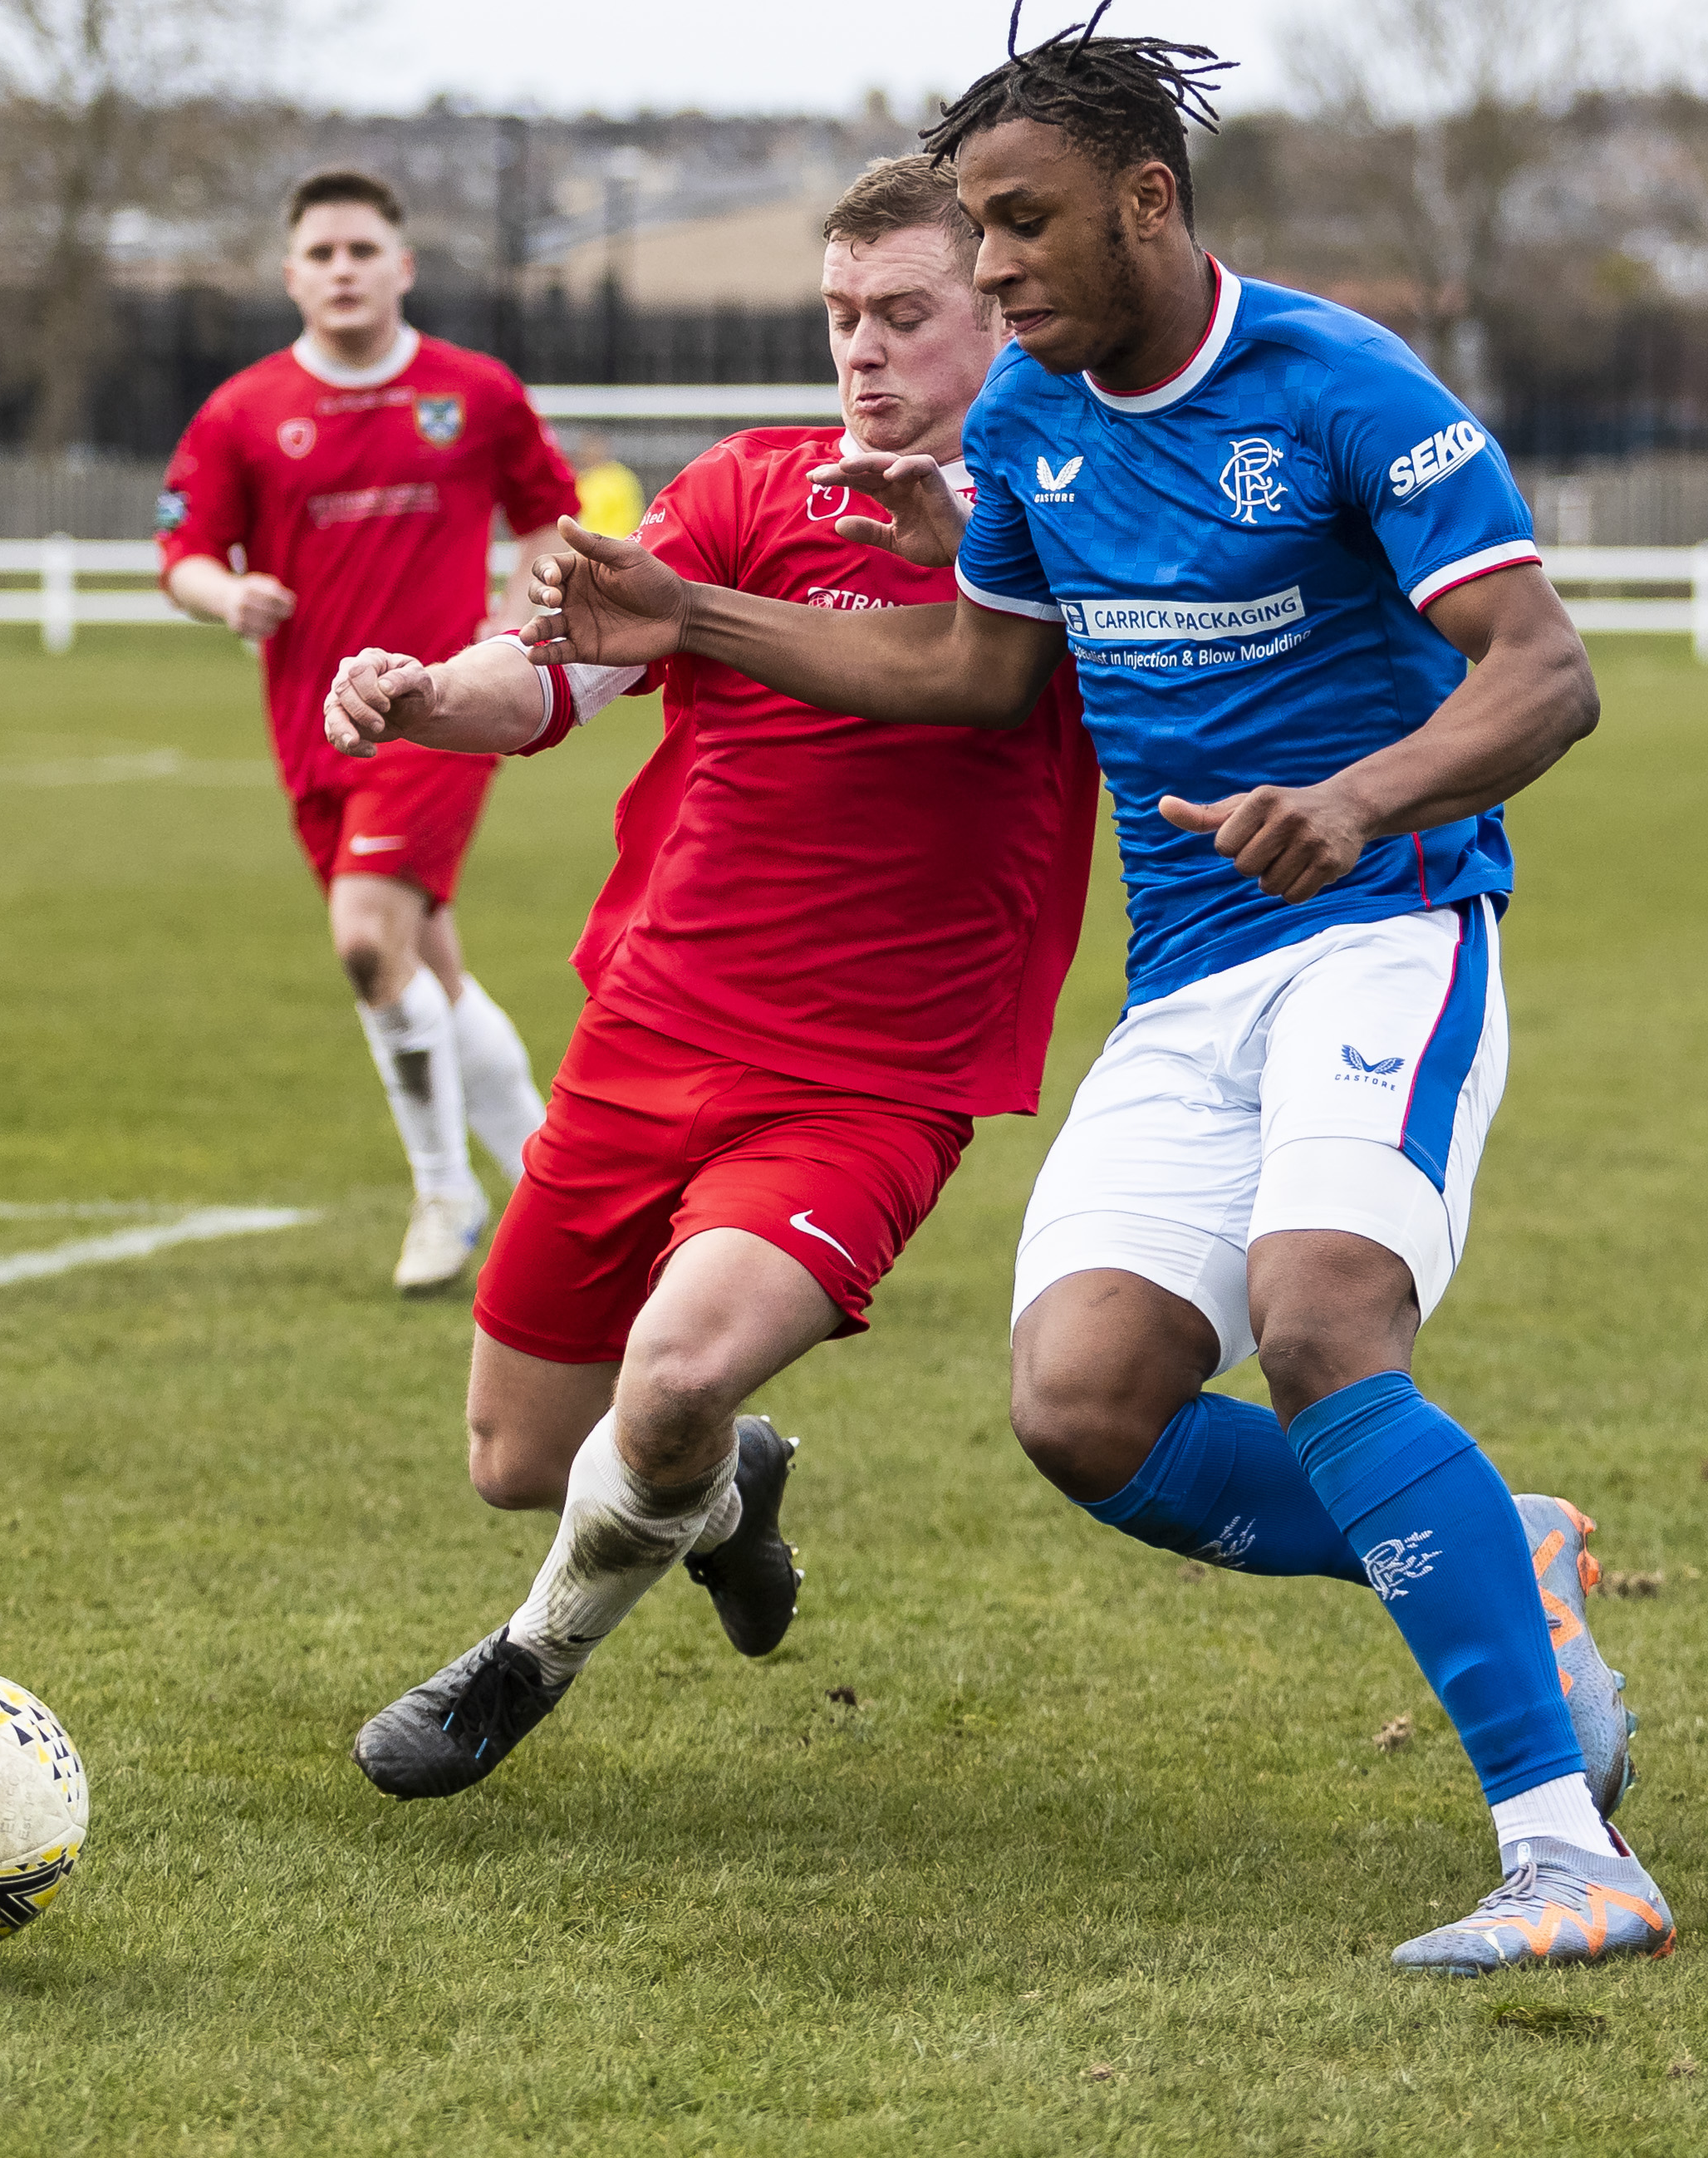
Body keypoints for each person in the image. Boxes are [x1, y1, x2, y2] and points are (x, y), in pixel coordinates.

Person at [522, 18, 1666, 1977]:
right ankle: (1507, 1543)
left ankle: (1564, 1856)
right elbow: (973, 675)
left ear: (1148, 199)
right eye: (971, 233)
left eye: (1020, 224)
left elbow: (1537, 671)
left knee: (1317, 1321)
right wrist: (694, 610)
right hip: (1188, 983)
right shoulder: (1032, 429)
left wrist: (1356, 796)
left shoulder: (1333, 385)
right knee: (1079, 1411)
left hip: (1382, 930)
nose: (987, 274)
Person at [320, 154, 1100, 1799]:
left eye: (905, 315)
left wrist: (980, 542)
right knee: (526, 1456)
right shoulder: (752, 489)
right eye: (841, 319)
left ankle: (522, 1662)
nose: (865, 353)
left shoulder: (1084, 515)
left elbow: (1045, 679)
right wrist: (419, 689)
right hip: (650, 1034)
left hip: (871, 1081)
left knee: (666, 1374)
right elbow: (550, 681)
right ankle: (726, 1491)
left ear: (1000, 318)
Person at [157, 167, 578, 1292]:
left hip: (432, 716)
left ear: (401, 266)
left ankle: (445, 1194)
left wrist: (511, 625)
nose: (342, 270)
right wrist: (224, 597)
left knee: (364, 942)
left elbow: (548, 514)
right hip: (311, 728)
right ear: (292, 275)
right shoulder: (243, 411)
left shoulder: (474, 392)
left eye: (362, 251)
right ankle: (555, 1183)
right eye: (321, 254)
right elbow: (183, 550)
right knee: (427, 962)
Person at [572, 432, 648, 539]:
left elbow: (631, 516)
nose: (591, 452)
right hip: (584, 542)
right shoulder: (580, 479)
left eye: (595, 447)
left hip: (614, 541)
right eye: (588, 448)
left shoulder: (621, 479)